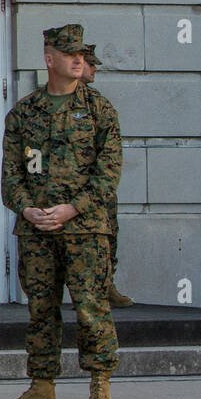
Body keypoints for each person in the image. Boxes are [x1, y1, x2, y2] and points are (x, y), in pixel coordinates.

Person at [0, 24, 121, 399]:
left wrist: (73, 208)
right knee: (41, 311)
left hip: (85, 229)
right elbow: (11, 176)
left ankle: (99, 389)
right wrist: (27, 209)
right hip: (37, 232)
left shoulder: (100, 110)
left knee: (90, 308)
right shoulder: (24, 112)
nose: (78, 59)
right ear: (49, 59)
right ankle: (41, 390)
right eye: (69, 53)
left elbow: (108, 174)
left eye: (81, 54)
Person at [83, 44, 134, 308]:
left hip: (99, 188)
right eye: (91, 63)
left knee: (108, 237)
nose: (94, 69)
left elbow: (110, 154)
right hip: (69, 191)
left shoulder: (98, 105)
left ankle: (106, 285)